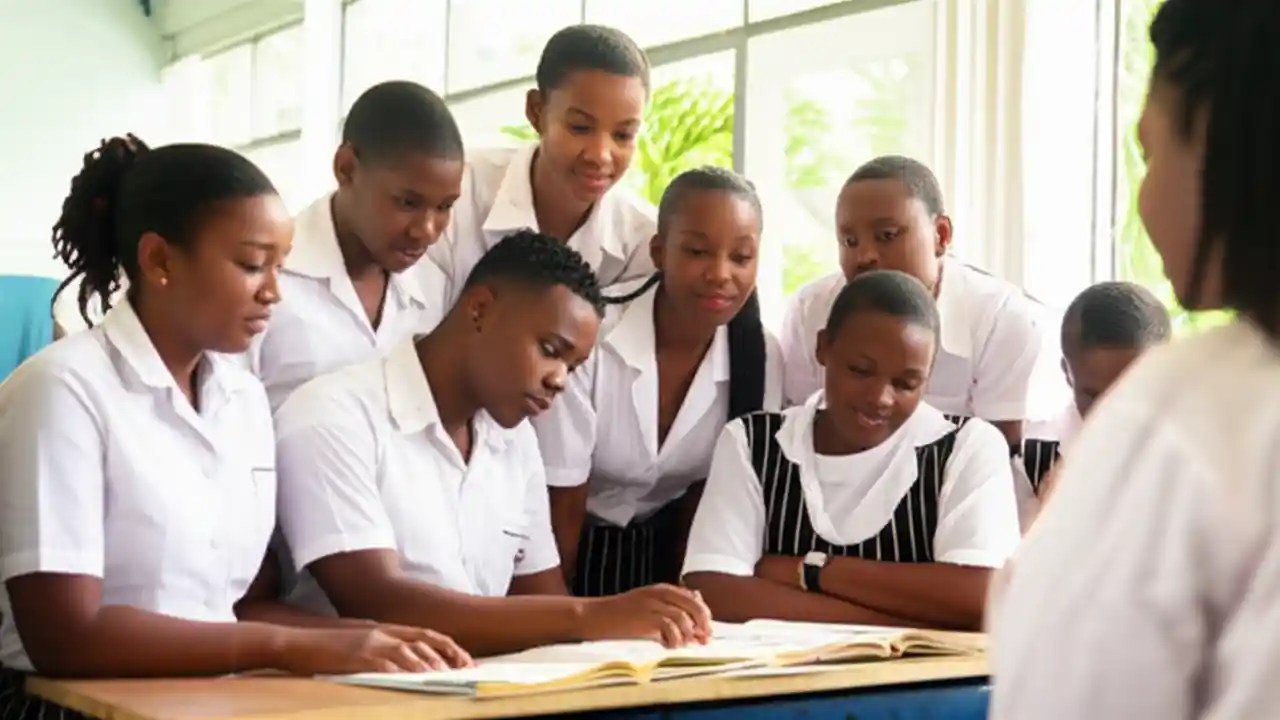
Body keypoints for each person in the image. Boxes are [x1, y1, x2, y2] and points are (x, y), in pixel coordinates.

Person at [0, 137, 469, 719]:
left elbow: (231, 603)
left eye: (281, 266)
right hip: (74, 709)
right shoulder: (62, 389)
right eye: (251, 265)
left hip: (213, 698)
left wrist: (366, 638)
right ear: (160, 261)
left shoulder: (242, 397)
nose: (273, 293)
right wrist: (294, 646)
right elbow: (65, 635)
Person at [989, 2, 1280, 716]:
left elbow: (1061, 691)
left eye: (1150, 153)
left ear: (1227, 144)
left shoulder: (1188, 412)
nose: (1144, 201)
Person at [274, 230, 712, 657]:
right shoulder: (334, 414)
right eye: (550, 349)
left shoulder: (515, 440)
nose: (559, 379)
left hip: (478, 695)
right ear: (480, 309)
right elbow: (377, 601)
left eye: (573, 366)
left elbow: (541, 600)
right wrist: (591, 615)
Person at [684, 270, 1020, 630]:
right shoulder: (754, 442)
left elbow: (986, 599)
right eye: (860, 371)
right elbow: (714, 592)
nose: (880, 398)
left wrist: (811, 571)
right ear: (823, 347)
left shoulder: (966, 447)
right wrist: (895, 623)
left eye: (906, 383)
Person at [534, 166, 782, 597]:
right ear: (659, 250)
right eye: (697, 252)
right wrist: (559, 623)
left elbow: (711, 498)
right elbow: (562, 502)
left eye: (741, 257)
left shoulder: (759, 356)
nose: (721, 274)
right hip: (560, 553)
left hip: (669, 557)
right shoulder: (593, 338)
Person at [780, 156, 1064, 449]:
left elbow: (998, 454)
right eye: (849, 241)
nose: (864, 256)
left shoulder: (999, 317)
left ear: (940, 235)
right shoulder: (810, 310)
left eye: (887, 236)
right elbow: (799, 434)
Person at [247, 81, 464, 412]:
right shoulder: (266, 282)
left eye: (445, 206)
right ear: (346, 168)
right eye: (407, 202)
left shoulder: (434, 288)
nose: (427, 230)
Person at [427, 24, 655, 306]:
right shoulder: (455, 194)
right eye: (580, 127)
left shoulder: (644, 244)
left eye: (623, 135)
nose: (601, 155)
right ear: (536, 111)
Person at [1018, 280, 1170, 506]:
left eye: (1131, 393)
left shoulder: (1197, 458)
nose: (1113, 413)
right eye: (1094, 398)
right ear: (1067, 374)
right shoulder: (1029, 462)